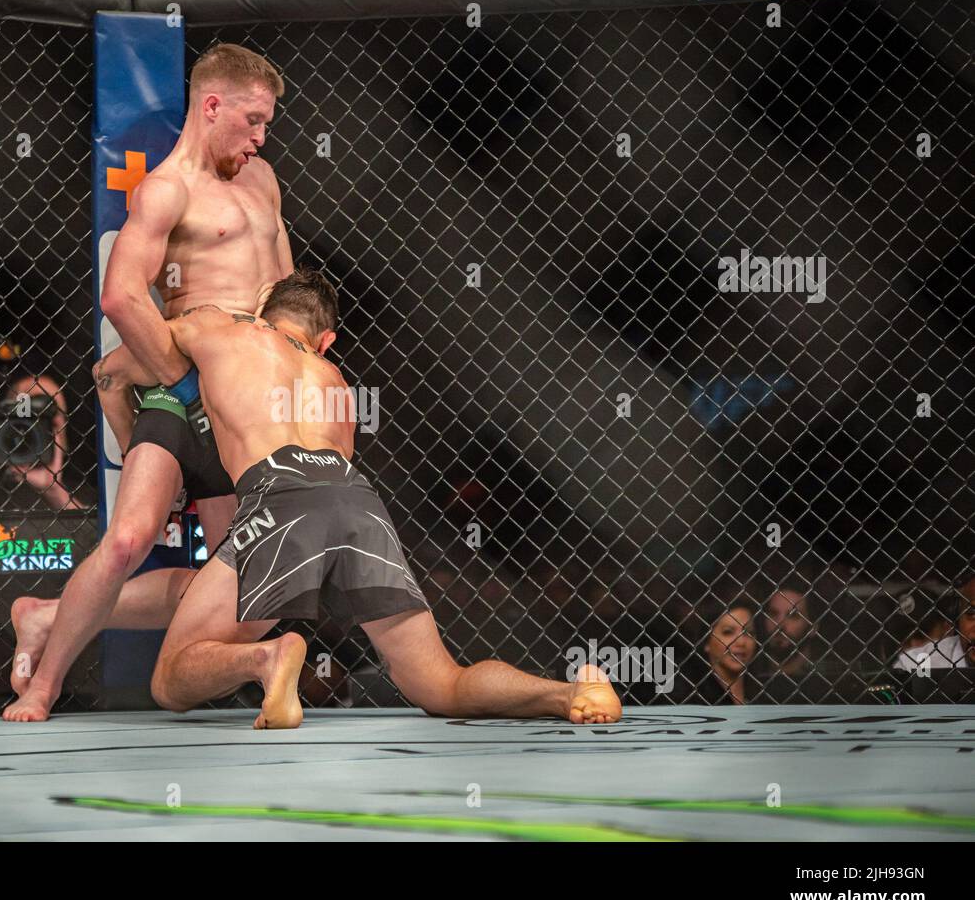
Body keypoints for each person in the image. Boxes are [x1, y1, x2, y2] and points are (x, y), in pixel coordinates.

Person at [95, 269, 621, 728]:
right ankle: (567, 690)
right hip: (357, 499)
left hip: (280, 492)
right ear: (326, 340)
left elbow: (111, 371)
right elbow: (326, 483)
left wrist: (137, 443)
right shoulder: (336, 382)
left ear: (262, 309)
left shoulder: (218, 325)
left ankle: (269, 657)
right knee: (441, 686)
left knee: (169, 678)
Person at [3, 42, 294, 721]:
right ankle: (44, 686)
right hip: (179, 393)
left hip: (247, 402)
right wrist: (186, 387)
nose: (259, 137)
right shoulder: (167, 188)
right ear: (211, 104)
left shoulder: (264, 181)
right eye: (251, 120)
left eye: (267, 125)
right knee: (130, 538)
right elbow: (122, 296)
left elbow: (284, 293)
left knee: (241, 582)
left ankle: (45, 614)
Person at [674, 602, 760, 705]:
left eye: (748, 632)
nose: (741, 642)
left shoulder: (764, 692)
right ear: (707, 642)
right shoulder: (689, 697)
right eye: (728, 632)